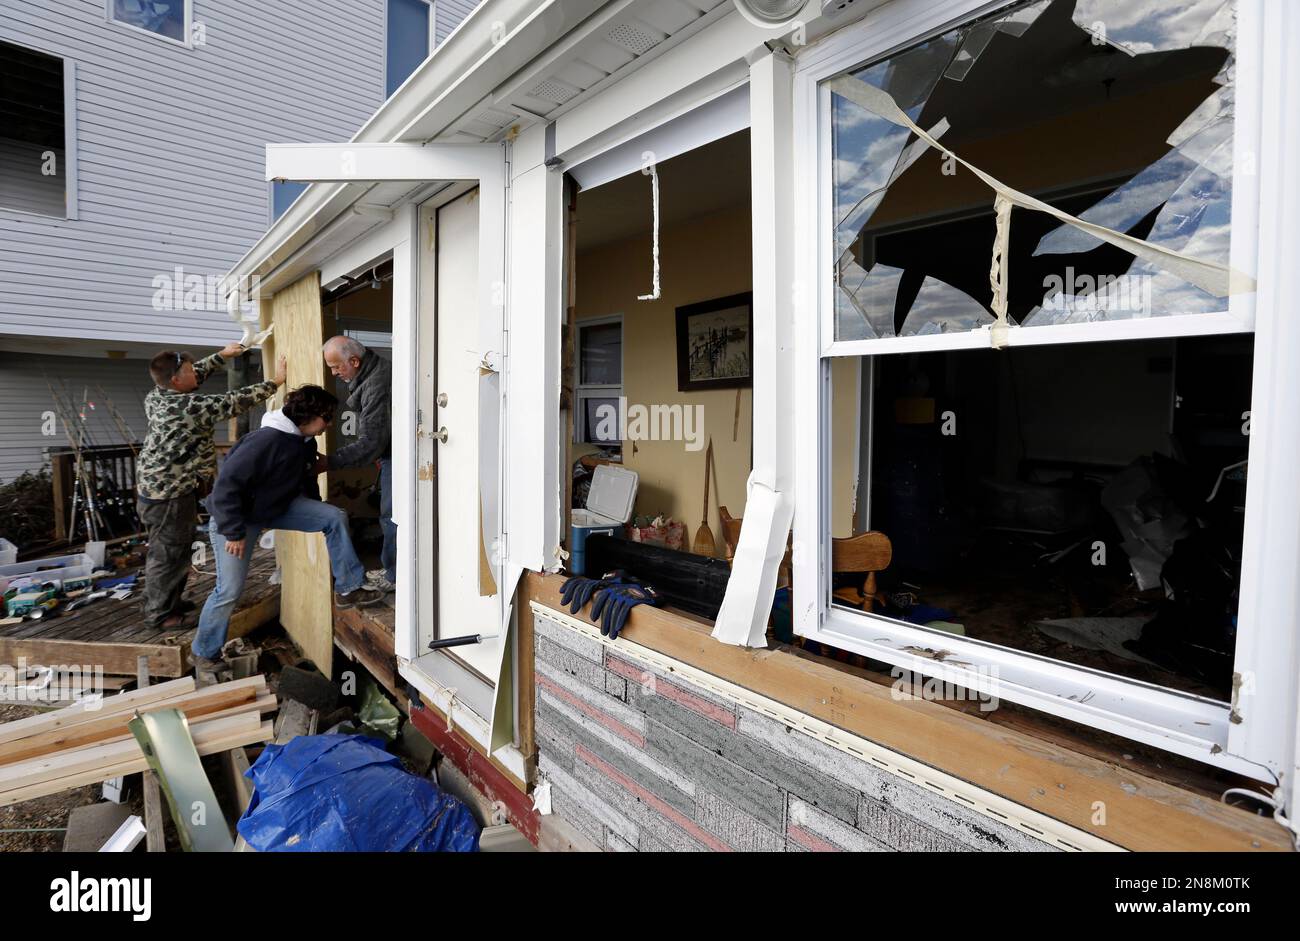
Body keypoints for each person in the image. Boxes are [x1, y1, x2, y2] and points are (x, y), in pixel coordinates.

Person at [193, 384, 386, 672]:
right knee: (229, 591)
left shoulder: (304, 443)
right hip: (236, 517)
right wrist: (232, 531)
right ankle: (204, 653)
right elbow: (225, 489)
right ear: (310, 415)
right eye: (328, 418)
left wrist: (315, 508)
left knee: (333, 517)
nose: (330, 425)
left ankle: (348, 587)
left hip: (276, 508)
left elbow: (306, 481)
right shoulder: (264, 441)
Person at [136, 344, 284, 631]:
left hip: (158, 489)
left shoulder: (157, 395)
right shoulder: (187, 407)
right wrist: (274, 382)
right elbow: (232, 402)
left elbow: (195, 373)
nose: (196, 373)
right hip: (168, 494)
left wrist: (222, 356)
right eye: (189, 371)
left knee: (174, 550)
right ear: (177, 380)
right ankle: (160, 614)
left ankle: (170, 602)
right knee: (168, 554)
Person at [321, 336, 395, 592]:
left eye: (336, 366)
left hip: (400, 457)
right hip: (389, 454)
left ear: (354, 361)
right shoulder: (369, 376)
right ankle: (395, 570)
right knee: (390, 514)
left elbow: (372, 439)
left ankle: (396, 576)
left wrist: (331, 461)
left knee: (391, 516)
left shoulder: (377, 383)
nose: (333, 373)